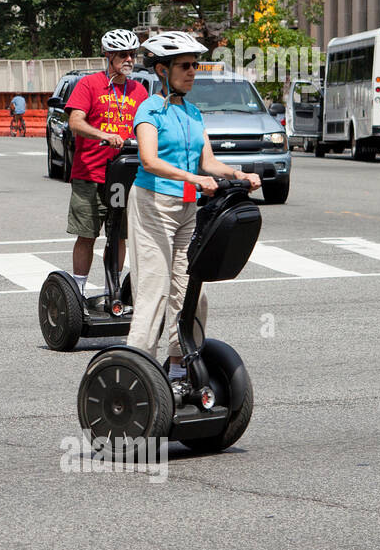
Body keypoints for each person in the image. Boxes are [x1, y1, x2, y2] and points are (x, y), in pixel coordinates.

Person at [127, 31, 261, 382]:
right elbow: (149, 160)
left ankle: (177, 366)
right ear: (161, 70)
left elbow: (209, 163)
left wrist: (238, 173)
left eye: (195, 65)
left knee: (191, 292)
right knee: (153, 291)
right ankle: (136, 373)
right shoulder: (149, 109)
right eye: (185, 66)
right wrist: (194, 179)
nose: (193, 72)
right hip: (152, 205)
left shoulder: (192, 112)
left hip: (187, 209)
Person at [63, 29, 150, 294]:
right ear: (109, 55)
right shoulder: (89, 85)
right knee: (87, 234)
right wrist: (104, 134)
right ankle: (77, 289)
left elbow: (148, 126)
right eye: (123, 55)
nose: (129, 60)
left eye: (132, 55)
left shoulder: (139, 91)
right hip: (90, 173)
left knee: (119, 236)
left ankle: (111, 289)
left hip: (125, 176)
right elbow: (75, 122)